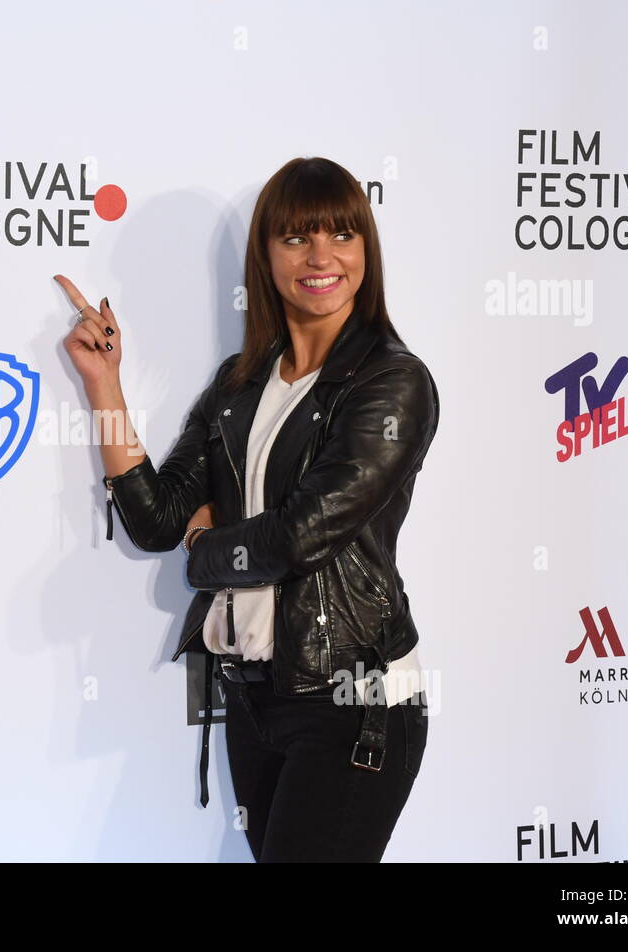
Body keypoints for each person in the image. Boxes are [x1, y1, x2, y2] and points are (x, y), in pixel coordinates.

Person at [55, 156, 439, 862]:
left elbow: (301, 535)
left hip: (355, 698)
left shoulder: (393, 382)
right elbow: (155, 517)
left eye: (341, 236)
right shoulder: (241, 384)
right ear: (266, 255)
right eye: (297, 238)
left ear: (366, 251)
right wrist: (105, 385)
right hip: (257, 697)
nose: (321, 257)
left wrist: (205, 553)